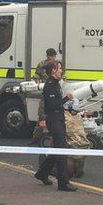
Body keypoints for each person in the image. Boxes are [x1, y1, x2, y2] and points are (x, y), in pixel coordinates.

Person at [35, 61, 78, 192]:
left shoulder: (56, 84)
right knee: (62, 151)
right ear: (53, 70)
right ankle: (63, 183)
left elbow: (58, 105)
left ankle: (42, 173)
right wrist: (66, 98)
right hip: (53, 120)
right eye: (59, 68)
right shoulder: (49, 86)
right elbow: (53, 104)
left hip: (58, 118)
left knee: (58, 149)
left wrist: (70, 109)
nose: (61, 70)